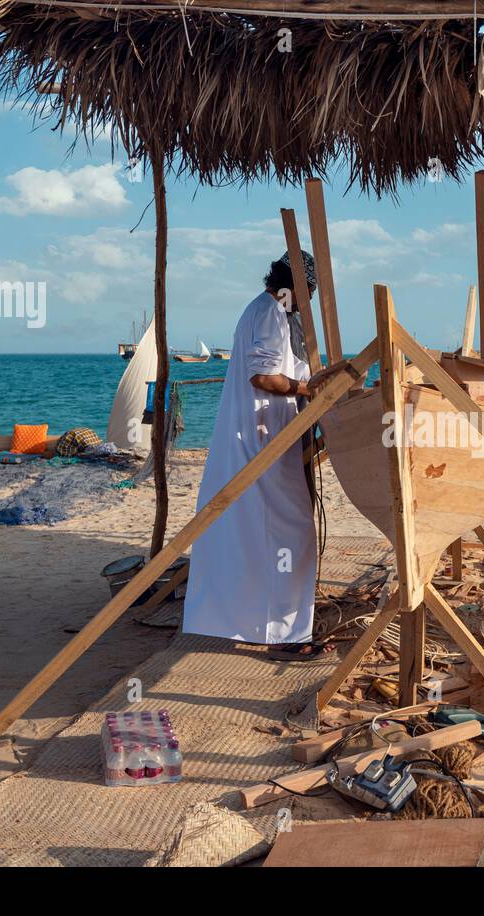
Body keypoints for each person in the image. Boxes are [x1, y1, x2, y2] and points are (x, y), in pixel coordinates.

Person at [182, 251, 334, 661]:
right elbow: (262, 375)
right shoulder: (270, 311)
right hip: (262, 439)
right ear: (294, 288)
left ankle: (269, 624)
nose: (307, 303)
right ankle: (284, 633)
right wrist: (306, 391)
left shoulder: (264, 309)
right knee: (289, 532)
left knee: (260, 534)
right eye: (308, 294)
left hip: (263, 435)